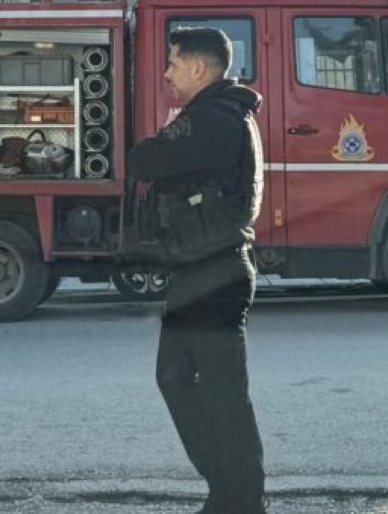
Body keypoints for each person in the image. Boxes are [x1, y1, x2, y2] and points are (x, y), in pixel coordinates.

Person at [126, 26, 266, 514]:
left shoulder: (211, 119)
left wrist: (159, 139)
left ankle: (240, 499)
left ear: (199, 68)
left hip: (215, 273)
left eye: (173, 64)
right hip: (199, 272)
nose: (167, 74)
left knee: (223, 395)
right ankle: (228, 490)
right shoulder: (220, 114)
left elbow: (146, 160)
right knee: (175, 376)